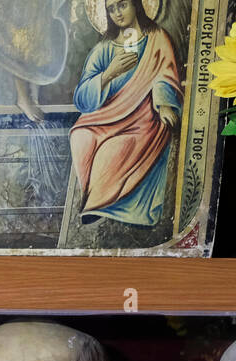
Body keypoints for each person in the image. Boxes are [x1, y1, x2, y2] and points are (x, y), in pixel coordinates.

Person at [70, 0, 182, 227]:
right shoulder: (104, 48)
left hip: (144, 117)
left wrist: (164, 104)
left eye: (122, 5)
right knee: (81, 137)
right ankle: (97, 200)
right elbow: (82, 97)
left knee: (113, 150)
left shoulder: (156, 38)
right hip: (107, 115)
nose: (117, 14)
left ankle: (101, 206)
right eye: (111, 9)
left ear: (137, 5)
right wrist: (108, 74)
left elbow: (165, 74)